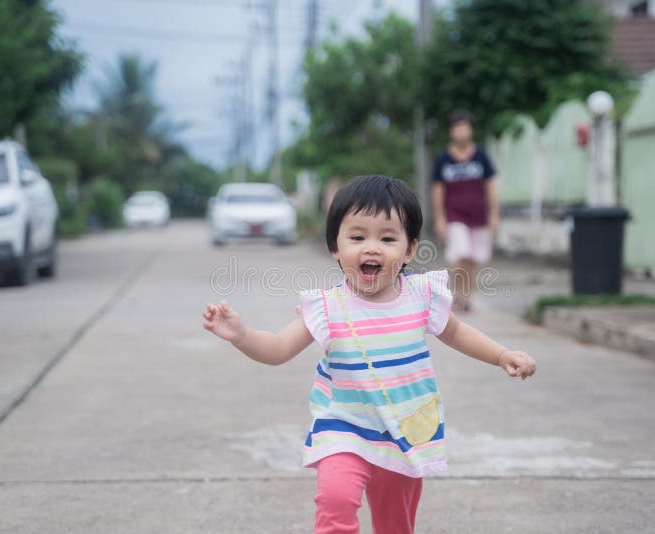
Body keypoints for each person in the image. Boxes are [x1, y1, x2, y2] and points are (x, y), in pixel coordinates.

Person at [202, 175, 535, 534]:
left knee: (395, 523)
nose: (372, 248)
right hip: (343, 428)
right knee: (335, 500)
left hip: (403, 430)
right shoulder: (327, 307)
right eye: (357, 237)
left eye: (387, 239)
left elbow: (456, 332)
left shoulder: (422, 296)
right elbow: (279, 348)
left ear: (410, 250)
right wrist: (242, 336)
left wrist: (501, 354)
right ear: (335, 246)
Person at [432, 109, 499, 312]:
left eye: (465, 127)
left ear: (471, 130)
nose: (461, 131)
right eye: (457, 128)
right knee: (460, 253)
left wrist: (494, 215)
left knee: (474, 258)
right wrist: (439, 218)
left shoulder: (481, 155)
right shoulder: (443, 158)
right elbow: (438, 190)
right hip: (455, 215)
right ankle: (456, 294)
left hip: (479, 215)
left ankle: (466, 297)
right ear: (451, 131)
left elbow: (490, 186)